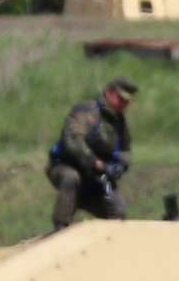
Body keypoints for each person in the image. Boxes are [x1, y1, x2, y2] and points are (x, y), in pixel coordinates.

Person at [47, 80, 136, 229]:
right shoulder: (86, 111)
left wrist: (119, 166)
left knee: (118, 211)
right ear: (109, 92)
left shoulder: (119, 122)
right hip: (66, 166)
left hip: (98, 178)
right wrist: (95, 162)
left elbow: (125, 150)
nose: (123, 104)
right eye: (120, 99)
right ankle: (61, 228)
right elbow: (72, 140)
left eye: (126, 102)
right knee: (71, 178)